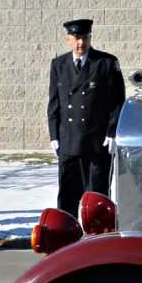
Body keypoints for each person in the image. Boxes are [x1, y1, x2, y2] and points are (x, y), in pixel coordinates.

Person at [48, 18, 124, 213]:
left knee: (97, 195)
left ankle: (96, 239)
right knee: (67, 195)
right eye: (76, 38)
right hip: (69, 141)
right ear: (68, 39)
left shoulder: (106, 63)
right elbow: (55, 102)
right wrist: (54, 135)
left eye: (85, 38)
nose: (81, 43)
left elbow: (117, 101)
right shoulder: (59, 64)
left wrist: (112, 131)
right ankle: (67, 236)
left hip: (96, 142)